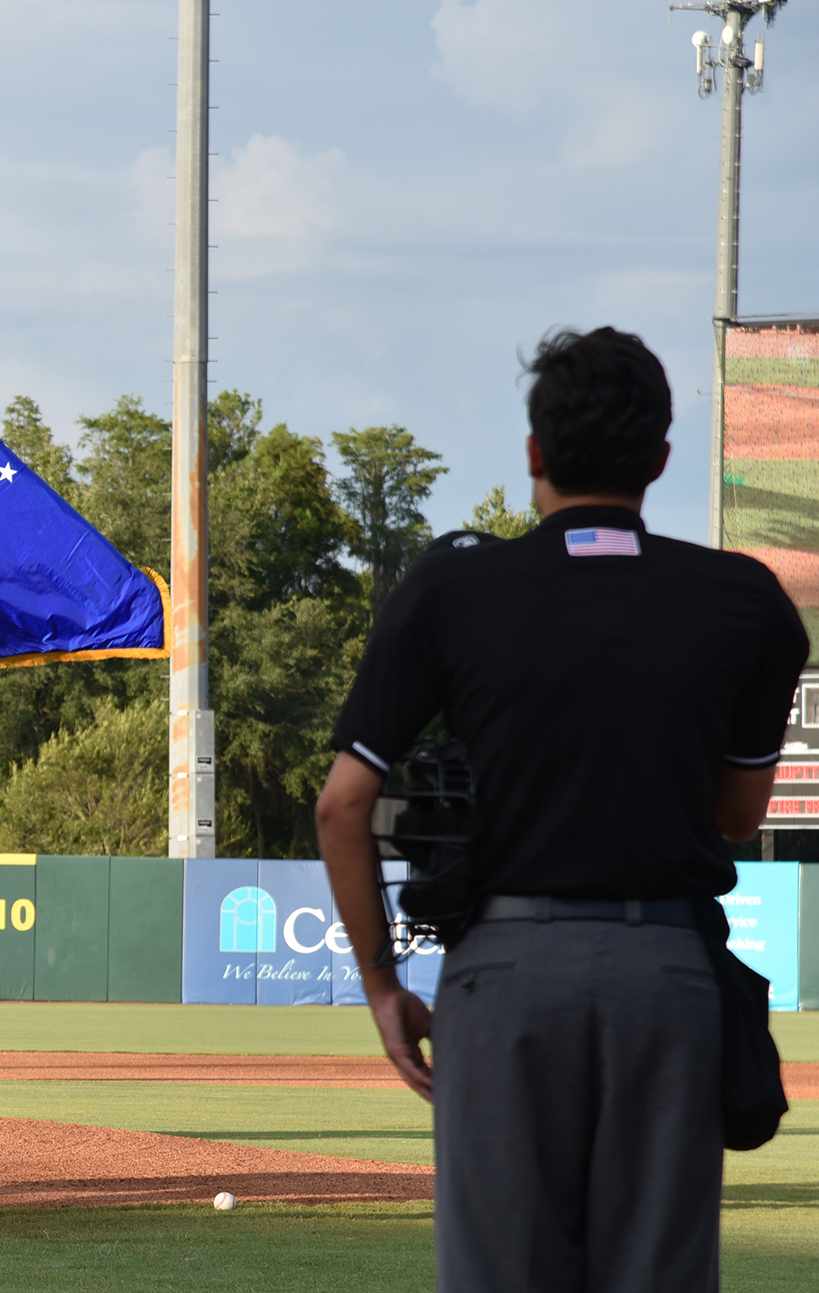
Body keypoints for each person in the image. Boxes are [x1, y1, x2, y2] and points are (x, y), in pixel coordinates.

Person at [315, 327, 808, 1293]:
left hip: (504, 976)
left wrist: (381, 983)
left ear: (534, 453)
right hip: (666, 973)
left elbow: (344, 804)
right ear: (661, 459)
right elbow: (739, 816)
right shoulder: (743, 600)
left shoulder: (454, 587)